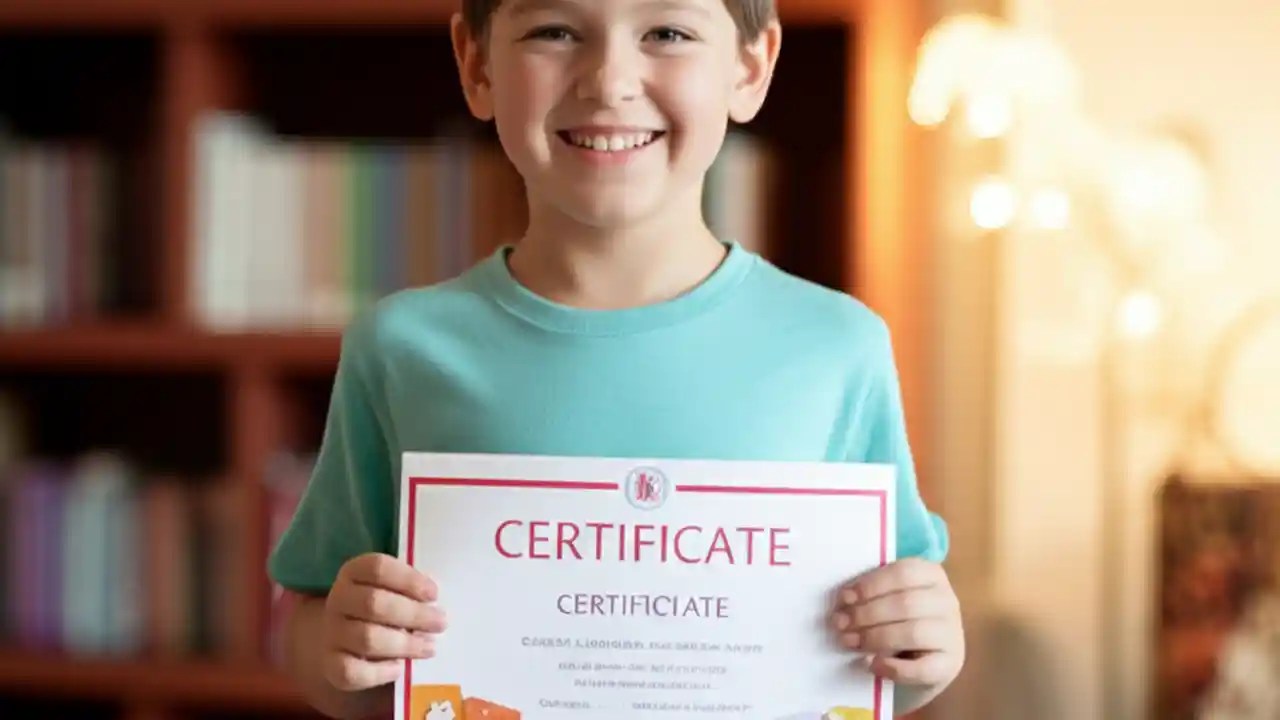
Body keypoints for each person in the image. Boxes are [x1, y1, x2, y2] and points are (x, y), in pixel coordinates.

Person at [267, 0, 965, 717]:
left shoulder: (837, 348)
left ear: (750, 67)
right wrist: (342, 649)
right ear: (477, 66)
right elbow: (313, 627)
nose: (608, 81)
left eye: (668, 33)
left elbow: (896, 647)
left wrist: (925, 658)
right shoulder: (402, 346)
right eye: (555, 31)